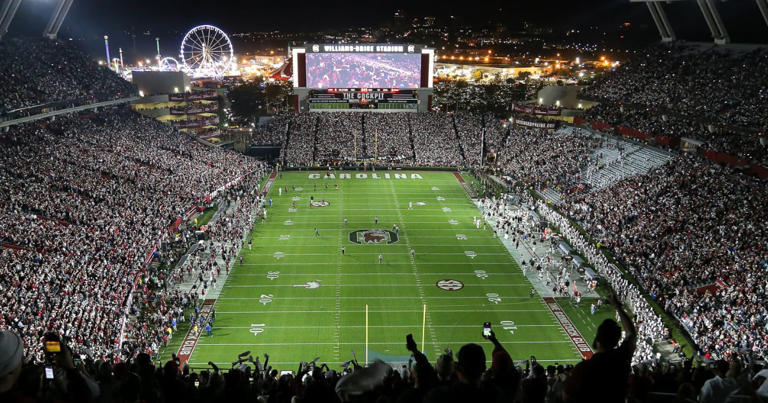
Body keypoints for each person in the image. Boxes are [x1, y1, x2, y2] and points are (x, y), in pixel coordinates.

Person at [564, 292, 637, 403]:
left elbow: (567, 396)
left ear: (597, 339)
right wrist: (617, 306)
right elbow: (631, 333)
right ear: (617, 340)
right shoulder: (621, 358)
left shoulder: (584, 367)